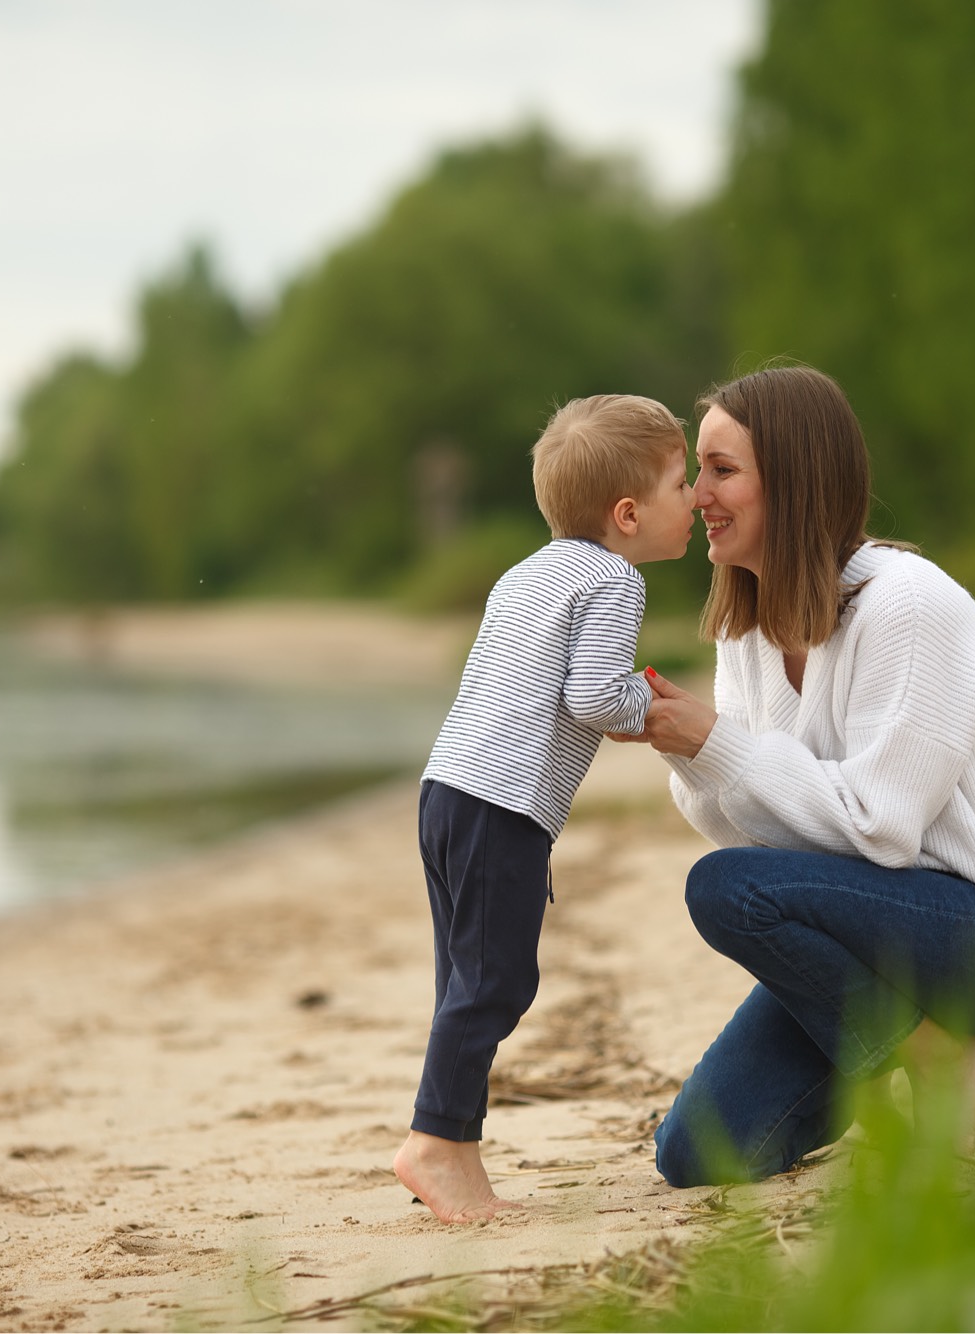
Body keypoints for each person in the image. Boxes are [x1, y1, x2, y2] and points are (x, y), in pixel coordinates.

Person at [622, 365, 975, 1186]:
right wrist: (688, 746)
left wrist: (722, 745)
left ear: (796, 482)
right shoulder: (751, 626)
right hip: (866, 935)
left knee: (724, 890)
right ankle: (907, 1044)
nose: (697, 495)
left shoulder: (906, 606)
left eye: (722, 471)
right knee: (696, 1156)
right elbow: (758, 831)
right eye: (699, 470)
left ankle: (942, 1060)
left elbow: (880, 829)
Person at [392, 395, 695, 1222]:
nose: (698, 498)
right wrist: (649, 709)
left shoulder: (525, 573)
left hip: (446, 789)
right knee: (496, 980)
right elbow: (592, 694)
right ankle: (436, 1145)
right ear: (627, 515)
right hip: (504, 805)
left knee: (462, 980)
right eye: (683, 482)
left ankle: (449, 1149)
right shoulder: (614, 579)